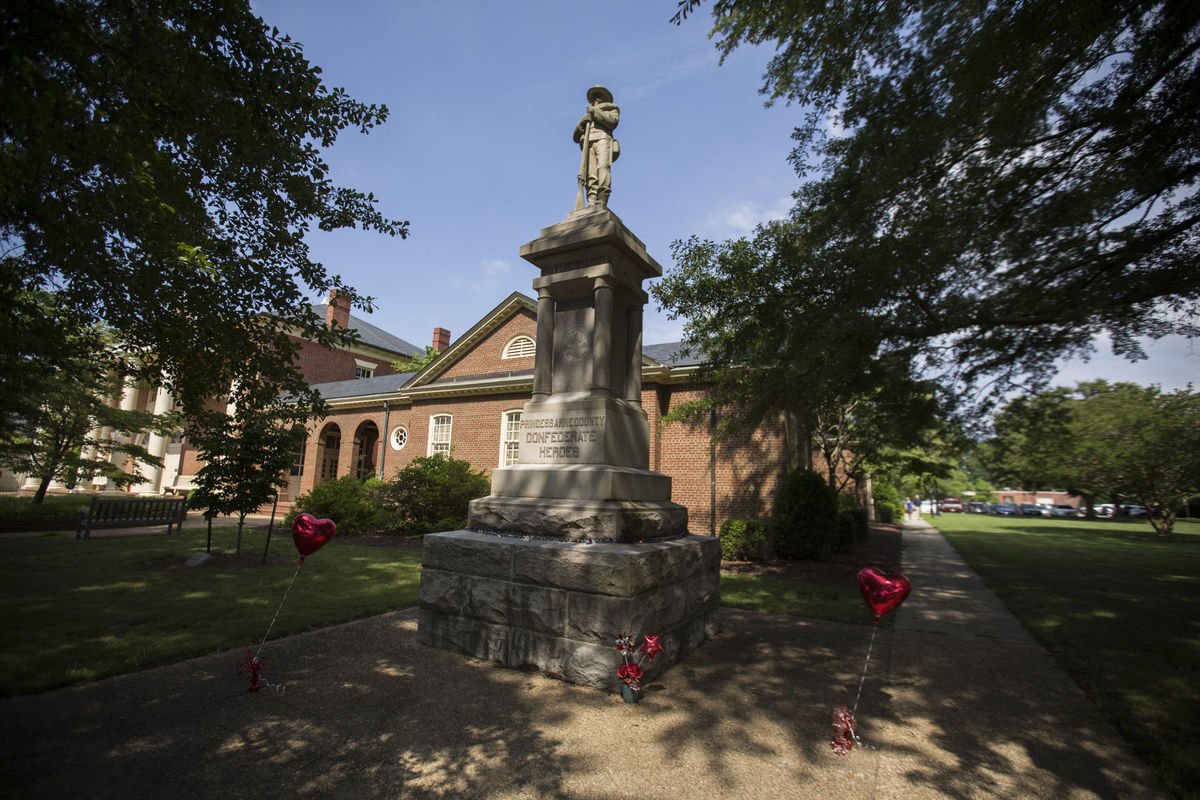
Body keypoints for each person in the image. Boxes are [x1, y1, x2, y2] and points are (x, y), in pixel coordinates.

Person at [573, 85, 620, 209]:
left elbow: (612, 122)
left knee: (603, 168)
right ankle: (592, 200)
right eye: (594, 96)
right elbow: (575, 136)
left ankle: (602, 198)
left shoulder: (612, 109)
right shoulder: (587, 114)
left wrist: (596, 112)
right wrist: (582, 124)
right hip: (588, 143)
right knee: (590, 173)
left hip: (603, 139)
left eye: (599, 95)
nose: (596, 98)